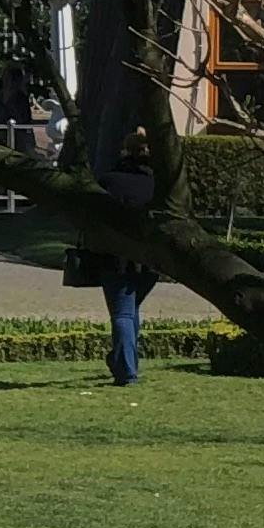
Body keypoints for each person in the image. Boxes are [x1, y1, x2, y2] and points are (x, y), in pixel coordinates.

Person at [91, 128, 161, 387]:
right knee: (130, 311)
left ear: (124, 151)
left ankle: (126, 369)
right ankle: (125, 360)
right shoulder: (158, 184)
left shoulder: (109, 181)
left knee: (122, 313)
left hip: (117, 257)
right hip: (150, 259)